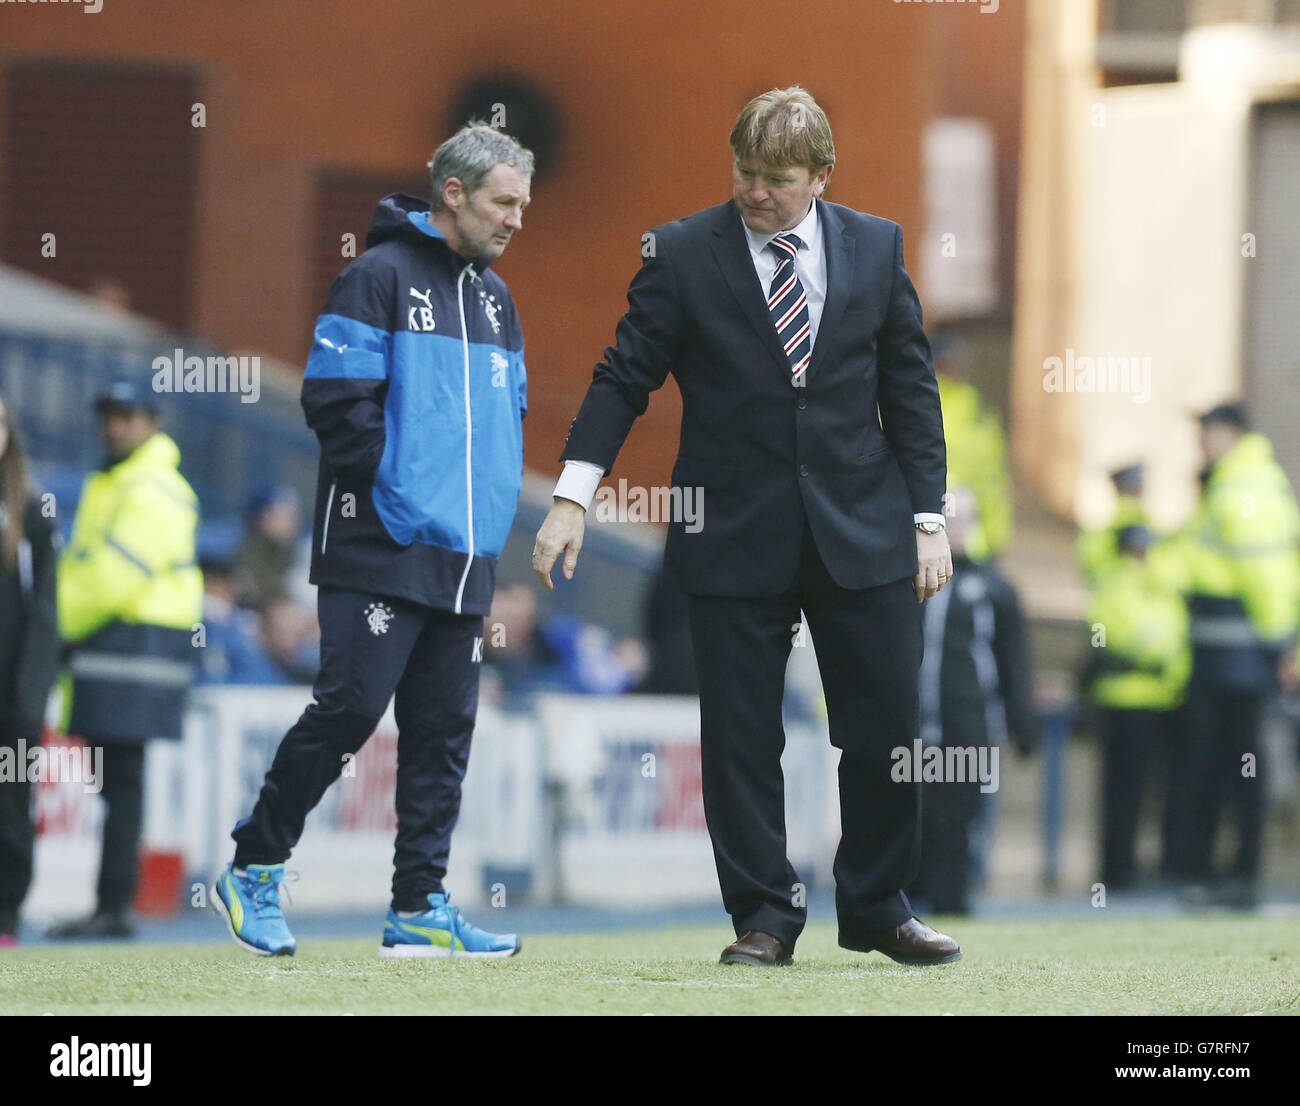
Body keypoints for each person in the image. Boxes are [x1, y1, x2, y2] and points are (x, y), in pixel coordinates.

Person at [534, 87, 959, 967]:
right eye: (743, 172)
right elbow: (622, 378)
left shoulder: (876, 247)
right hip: (731, 531)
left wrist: (927, 517)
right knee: (740, 738)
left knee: (885, 730)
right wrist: (573, 495)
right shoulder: (684, 253)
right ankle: (764, 916)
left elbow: (910, 393)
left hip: (866, 529)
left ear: (821, 176)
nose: (753, 193)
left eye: (775, 179)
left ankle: (877, 905)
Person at [212, 124, 533, 959]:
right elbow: (334, 400)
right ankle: (253, 867)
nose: (516, 221)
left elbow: (505, 428)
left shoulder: (499, 302)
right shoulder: (375, 276)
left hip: (465, 557)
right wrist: (393, 497)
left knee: (442, 734)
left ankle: (418, 905)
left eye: (523, 206)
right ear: (454, 193)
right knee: (350, 709)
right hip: (378, 544)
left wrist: (487, 524)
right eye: (504, 202)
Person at [46, 379, 203, 940]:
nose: (114, 426)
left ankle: (114, 907)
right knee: (117, 784)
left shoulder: (152, 486)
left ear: (152, 422)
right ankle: (110, 905)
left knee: (123, 782)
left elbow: (113, 576)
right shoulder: (120, 481)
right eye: (109, 414)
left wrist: (51, 624)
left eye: (126, 415)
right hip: (120, 643)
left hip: (133, 643)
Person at [1163, 403, 1300, 906]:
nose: (1201, 439)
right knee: (1231, 763)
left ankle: (1237, 875)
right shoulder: (1233, 482)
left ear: (1232, 433)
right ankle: (1226, 873)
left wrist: (1279, 645)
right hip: (1228, 656)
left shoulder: (1245, 488)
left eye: (1209, 430)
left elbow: (1267, 573)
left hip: (1238, 657)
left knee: (1237, 765)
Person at [910, 488, 1038, 916]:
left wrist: (1023, 725)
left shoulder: (993, 588)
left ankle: (952, 901)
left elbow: (1013, 661)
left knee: (958, 816)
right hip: (915, 725)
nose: (957, 526)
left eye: (964, 518)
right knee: (911, 811)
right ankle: (906, 901)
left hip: (967, 723)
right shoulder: (913, 576)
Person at [1081, 523, 1189, 891]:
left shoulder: (1159, 585)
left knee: (1152, 791)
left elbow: (1173, 635)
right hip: (1124, 701)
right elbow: (1117, 633)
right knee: (1123, 793)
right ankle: (1118, 869)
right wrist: (1157, 659)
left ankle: (1143, 866)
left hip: (1162, 700)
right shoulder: (1116, 584)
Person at [0, 397, 61, 946]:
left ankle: (6, 916)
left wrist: (29, 693)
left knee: (10, 802)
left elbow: (46, 613)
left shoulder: (32, 510)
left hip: (11, 690)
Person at [932, 333, 1012, 563]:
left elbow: (994, 474)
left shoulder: (974, 403)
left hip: (972, 524)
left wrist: (993, 532)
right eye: (950, 359)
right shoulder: (923, 400)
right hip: (940, 515)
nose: (957, 366)